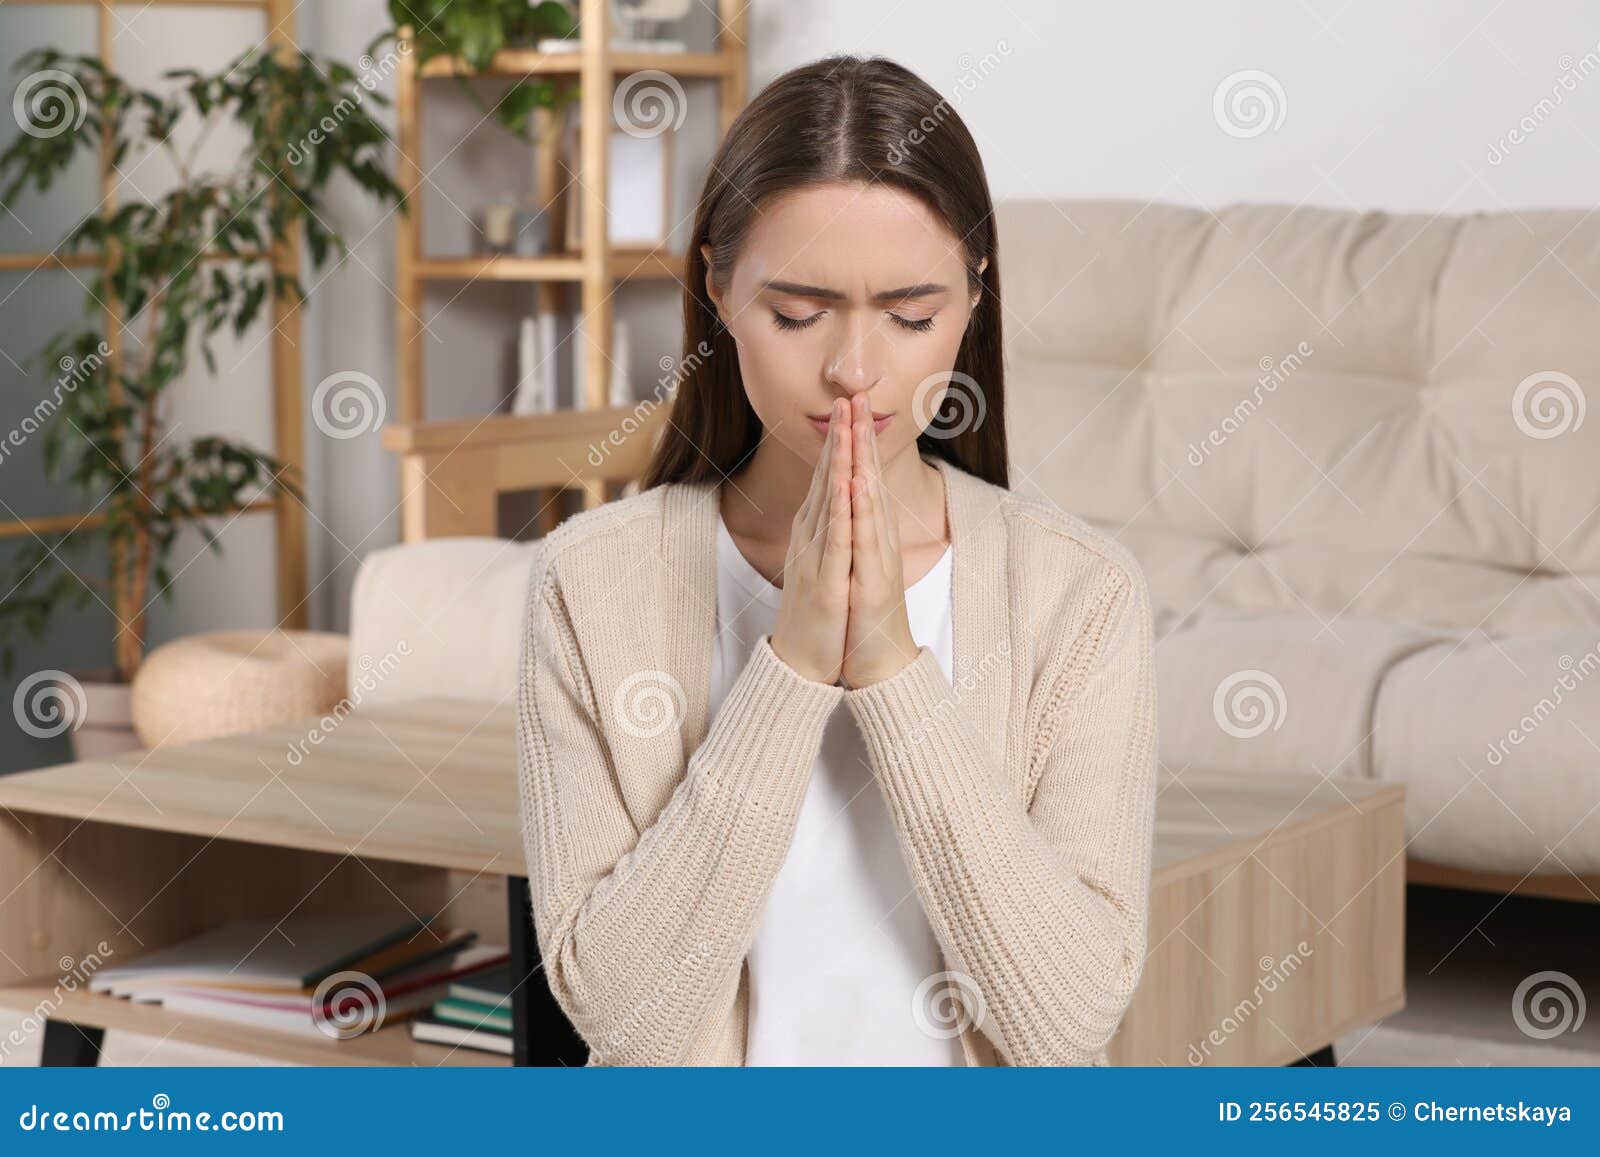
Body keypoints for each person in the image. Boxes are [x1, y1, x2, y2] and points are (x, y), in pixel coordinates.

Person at [515, 54, 1157, 1066]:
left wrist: (896, 673)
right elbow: (627, 1023)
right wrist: (792, 668)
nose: (854, 370)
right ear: (718, 289)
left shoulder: (1080, 595)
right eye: (798, 313)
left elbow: (1067, 1020)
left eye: (910, 316)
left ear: (974, 295)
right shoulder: (588, 585)